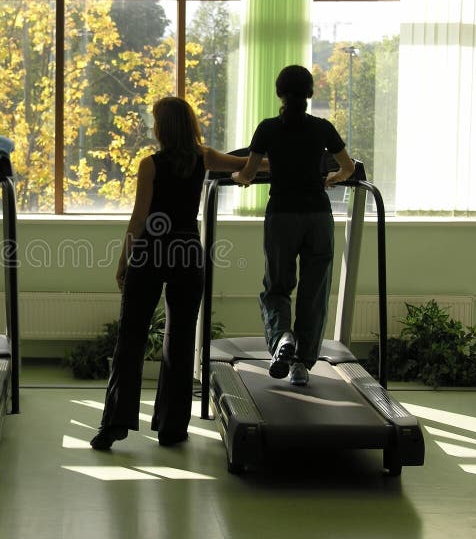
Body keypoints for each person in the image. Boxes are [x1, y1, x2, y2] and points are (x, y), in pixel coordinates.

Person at [90, 97, 256, 450]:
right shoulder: (205, 157)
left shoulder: (150, 165)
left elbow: (139, 219)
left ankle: (115, 425)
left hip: (150, 251)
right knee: (179, 342)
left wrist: (123, 261)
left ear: (161, 128)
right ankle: (172, 428)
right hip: (187, 252)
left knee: (131, 338)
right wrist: (294, 165)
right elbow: (251, 164)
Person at [231, 64, 355, 387]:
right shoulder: (323, 128)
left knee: (277, 286)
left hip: (283, 215)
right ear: (311, 94)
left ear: (279, 94)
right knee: (314, 292)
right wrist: (333, 178)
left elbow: (249, 171)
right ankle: (301, 364)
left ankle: (282, 337)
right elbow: (348, 167)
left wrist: (237, 178)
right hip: (317, 216)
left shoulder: (268, 128)